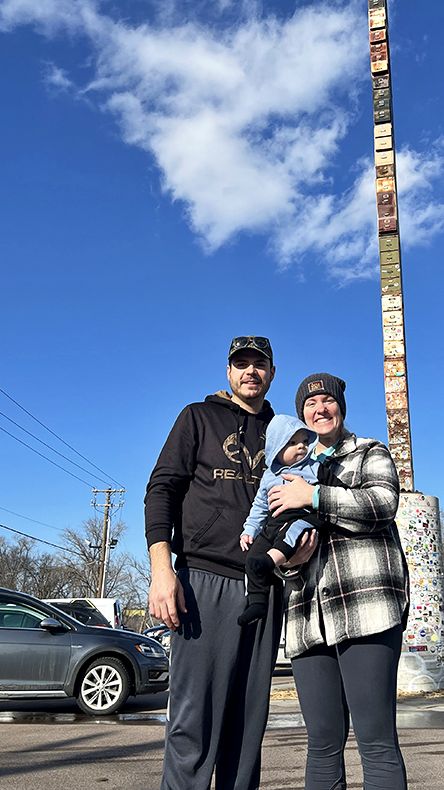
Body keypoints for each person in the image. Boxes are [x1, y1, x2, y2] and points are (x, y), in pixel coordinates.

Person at [144, 336, 316, 790]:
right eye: (241, 364)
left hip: (265, 584)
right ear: (228, 372)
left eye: (260, 365)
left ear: (272, 373)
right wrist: (162, 572)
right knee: (193, 722)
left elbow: (300, 502)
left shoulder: (287, 434)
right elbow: (161, 491)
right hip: (204, 581)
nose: (250, 372)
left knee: (246, 727)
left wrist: (295, 554)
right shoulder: (197, 417)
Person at [268, 372, 410, 790]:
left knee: (376, 739)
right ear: (301, 416)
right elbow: (276, 542)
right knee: (322, 742)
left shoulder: (369, 452)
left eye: (327, 401)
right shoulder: (287, 470)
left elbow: (383, 504)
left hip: (366, 608)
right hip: (307, 617)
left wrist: (313, 498)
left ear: (341, 408)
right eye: (310, 405)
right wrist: (288, 564)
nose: (320, 409)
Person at [238, 414, 326, 626]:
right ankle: (257, 601)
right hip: (274, 521)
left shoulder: (314, 467)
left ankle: (270, 562)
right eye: (293, 443)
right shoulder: (269, 476)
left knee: (292, 532)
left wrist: (315, 493)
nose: (301, 447)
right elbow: (259, 505)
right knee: (254, 555)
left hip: (305, 517)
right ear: (276, 448)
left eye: (305, 442)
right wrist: (249, 529)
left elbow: (334, 488)